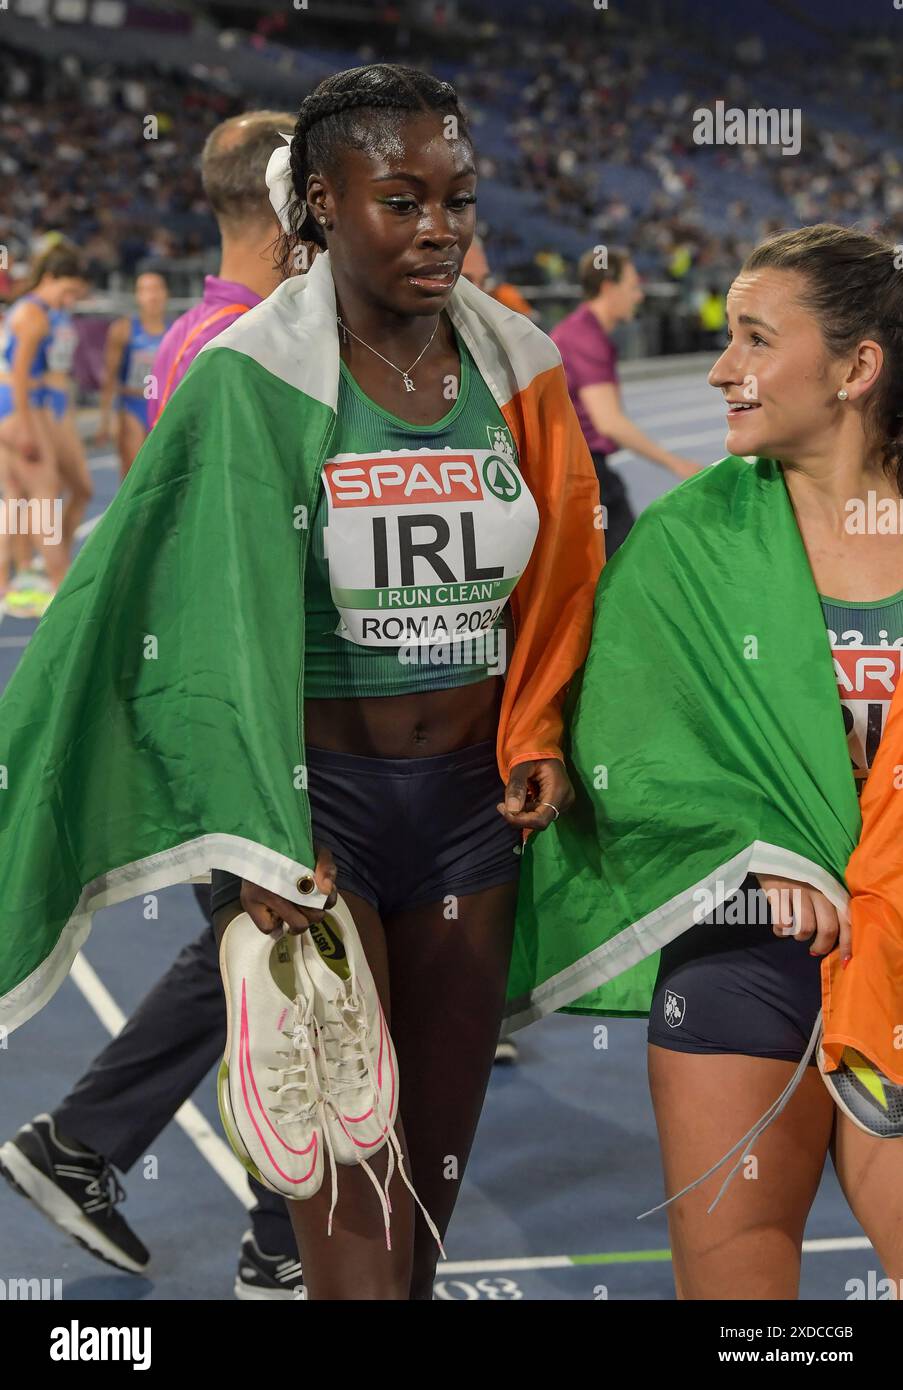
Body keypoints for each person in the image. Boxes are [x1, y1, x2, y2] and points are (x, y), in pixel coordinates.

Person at [0, 64, 603, 1303]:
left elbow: (566, 574)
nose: (441, 225)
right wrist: (255, 837)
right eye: (402, 198)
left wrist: (536, 725)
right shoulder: (244, 378)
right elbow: (181, 614)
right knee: (349, 1222)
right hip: (316, 821)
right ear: (320, 205)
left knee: (420, 1212)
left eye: (460, 198)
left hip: (470, 822)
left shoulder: (521, 367)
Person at [515, 223, 903, 1300]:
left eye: (754, 341)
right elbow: (624, 743)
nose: (722, 368)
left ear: (856, 367)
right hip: (747, 951)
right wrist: (754, 847)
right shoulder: (688, 539)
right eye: (726, 339)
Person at [0, 111, 306, 1302]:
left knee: (254, 944)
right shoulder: (259, 346)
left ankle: (90, 1150)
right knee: (278, 946)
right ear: (298, 208)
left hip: (193, 680)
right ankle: (270, 1233)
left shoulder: (189, 329)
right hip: (238, 697)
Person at [551, 247, 698, 554]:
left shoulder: (580, 331)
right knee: (627, 563)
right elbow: (609, 422)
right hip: (584, 474)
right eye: (633, 287)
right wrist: (675, 463)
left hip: (580, 472)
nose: (639, 296)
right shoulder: (584, 337)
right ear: (608, 287)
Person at [0, 244, 85, 615]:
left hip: (19, 405)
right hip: (17, 405)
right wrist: (23, 426)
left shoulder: (33, 310)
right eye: (66, 290)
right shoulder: (34, 315)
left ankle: (19, 581)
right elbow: (18, 373)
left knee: (18, 497)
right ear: (49, 278)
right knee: (43, 495)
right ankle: (56, 583)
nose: (69, 300)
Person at [97, 272, 168, 478]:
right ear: (138, 296)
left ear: (165, 294)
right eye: (146, 290)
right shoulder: (124, 329)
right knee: (132, 476)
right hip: (133, 405)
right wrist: (105, 420)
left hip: (163, 406)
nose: (152, 296)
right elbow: (109, 376)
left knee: (159, 476)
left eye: (157, 289)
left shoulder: (176, 330)